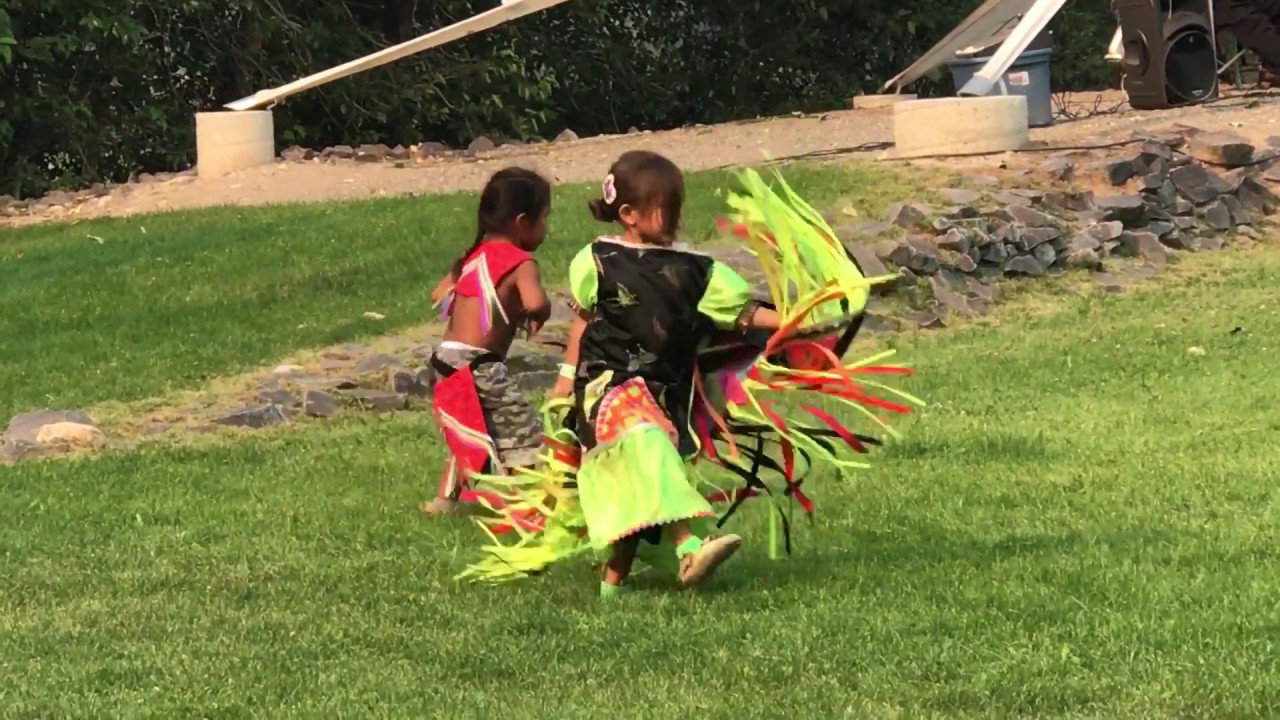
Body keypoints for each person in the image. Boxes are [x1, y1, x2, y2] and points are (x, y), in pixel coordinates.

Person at [456, 154, 921, 598]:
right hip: (607, 388)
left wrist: (797, 320)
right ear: (630, 213)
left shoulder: (697, 272)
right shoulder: (596, 260)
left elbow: (743, 314)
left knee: (640, 490)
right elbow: (584, 323)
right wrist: (563, 383)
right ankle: (689, 550)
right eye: (665, 207)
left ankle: (611, 590)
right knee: (646, 442)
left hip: (665, 394)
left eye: (677, 205)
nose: (674, 215)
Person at [423, 167, 553, 516]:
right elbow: (536, 302)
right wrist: (540, 311)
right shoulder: (521, 262)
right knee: (520, 431)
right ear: (522, 221)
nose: (546, 228)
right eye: (544, 218)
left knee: (473, 425)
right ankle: (527, 505)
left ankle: (444, 501)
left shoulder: (472, 256)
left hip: (445, 358)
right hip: (479, 363)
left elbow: (439, 294)